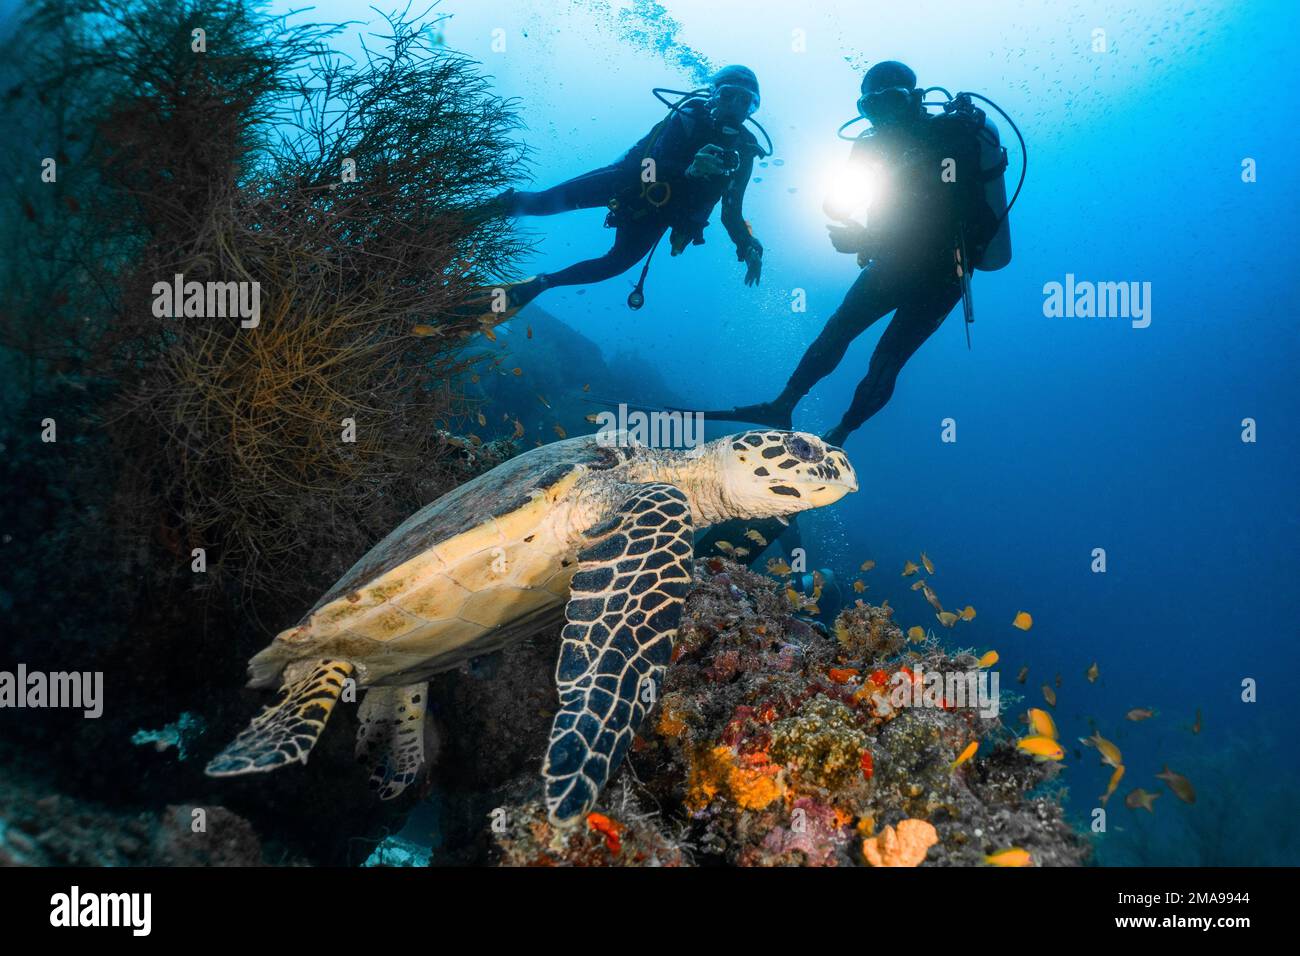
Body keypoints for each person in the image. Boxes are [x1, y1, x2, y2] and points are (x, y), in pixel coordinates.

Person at [708, 61, 1008, 447]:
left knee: (887, 358)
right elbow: (841, 202)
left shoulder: (952, 136)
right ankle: (782, 406)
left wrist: (868, 240)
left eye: (893, 101)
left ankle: (839, 435)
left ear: (914, 99)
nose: (883, 114)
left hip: (944, 273)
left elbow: (961, 221)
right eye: (871, 106)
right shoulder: (870, 145)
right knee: (837, 330)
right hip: (892, 261)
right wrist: (856, 227)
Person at [473, 65, 766, 319]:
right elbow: (647, 165)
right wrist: (689, 170)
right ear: (713, 93)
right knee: (541, 204)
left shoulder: (744, 149)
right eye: (729, 94)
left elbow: (731, 211)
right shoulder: (688, 116)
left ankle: (541, 283)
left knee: (616, 264)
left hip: (661, 213)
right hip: (623, 182)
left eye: (747, 101)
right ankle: (471, 216)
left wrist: (747, 244)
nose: (736, 106)